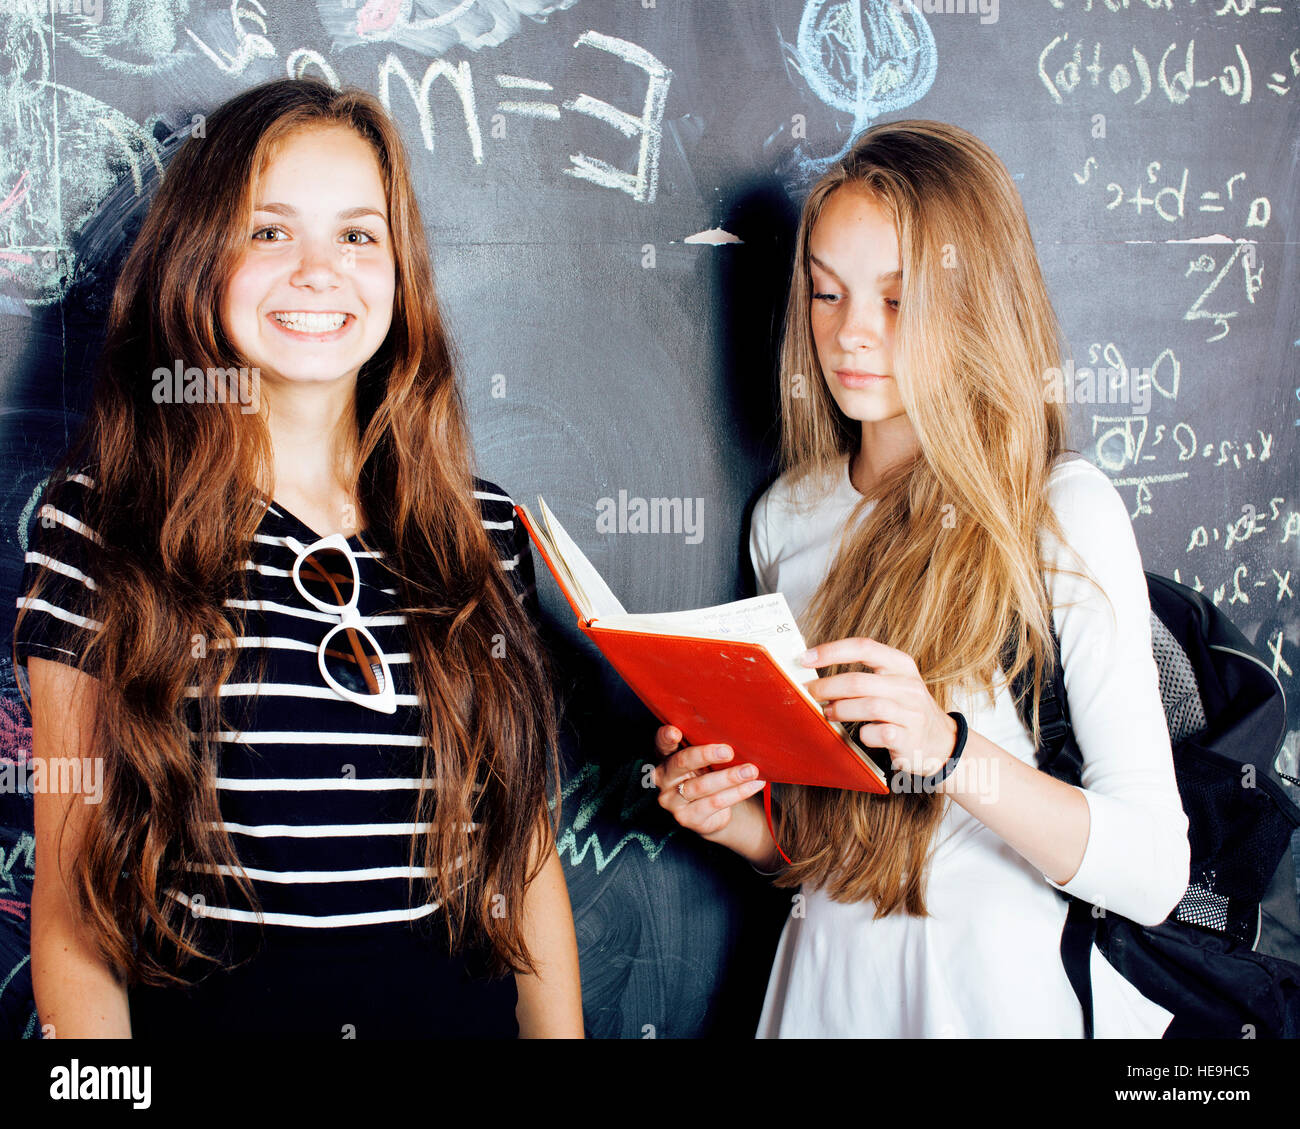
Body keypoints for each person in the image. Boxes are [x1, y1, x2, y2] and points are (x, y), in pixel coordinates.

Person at [14, 77, 582, 1038]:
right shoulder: (105, 525)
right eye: (270, 231)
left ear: (399, 273)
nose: (320, 270)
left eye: (358, 235)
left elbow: (523, 860)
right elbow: (72, 918)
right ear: (202, 257)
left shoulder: (479, 529)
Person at [652, 120, 1190, 1037]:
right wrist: (739, 823)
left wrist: (950, 749)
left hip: (998, 1001)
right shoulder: (786, 516)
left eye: (898, 300)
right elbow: (837, 848)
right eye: (826, 293)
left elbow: (1152, 870)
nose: (850, 334)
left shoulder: (1058, 510)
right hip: (824, 992)